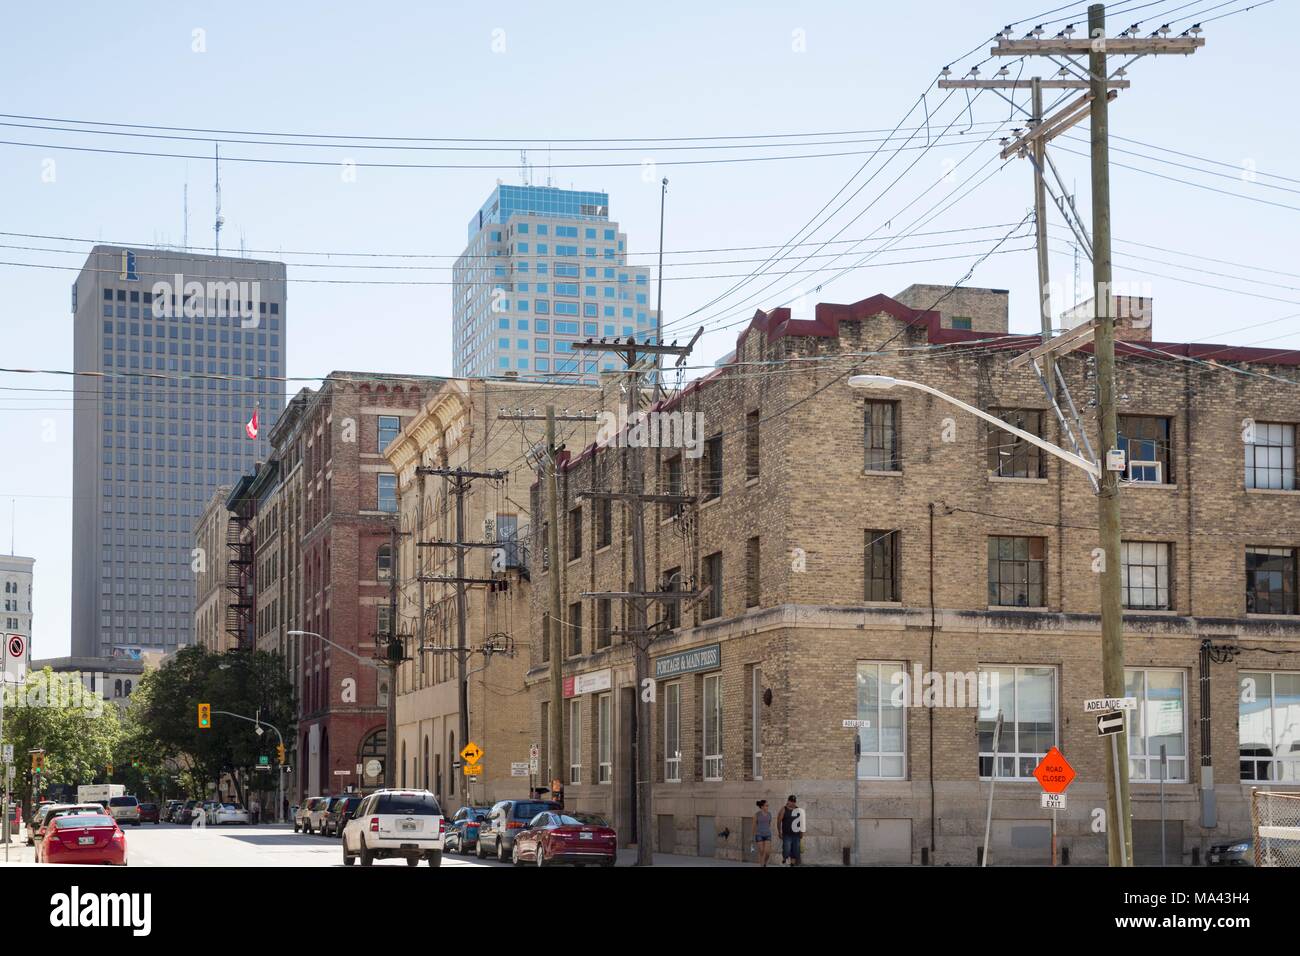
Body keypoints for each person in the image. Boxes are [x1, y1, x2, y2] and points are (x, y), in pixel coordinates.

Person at [776, 795, 802, 866]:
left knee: (795, 852)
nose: (793, 803)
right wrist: (779, 832)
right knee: (787, 850)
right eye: (791, 801)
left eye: (794, 801)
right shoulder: (783, 809)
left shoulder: (798, 810)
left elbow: (801, 822)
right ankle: (785, 858)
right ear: (788, 801)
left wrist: (801, 832)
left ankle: (792, 865)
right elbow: (779, 821)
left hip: (796, 834)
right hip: (787, 834)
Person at [753, 800, 773, 867]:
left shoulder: (769, 814)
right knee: (762, 852)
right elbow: (754, 826)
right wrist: (753, 836)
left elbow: (769, 824)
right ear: (762, 806)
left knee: (767, 853)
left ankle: (764, 863)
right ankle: (762, 865)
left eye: (768, 806)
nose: (767, 807)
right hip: (759, 835)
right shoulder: (757, 815)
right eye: (766, 805)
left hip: (767, 834)